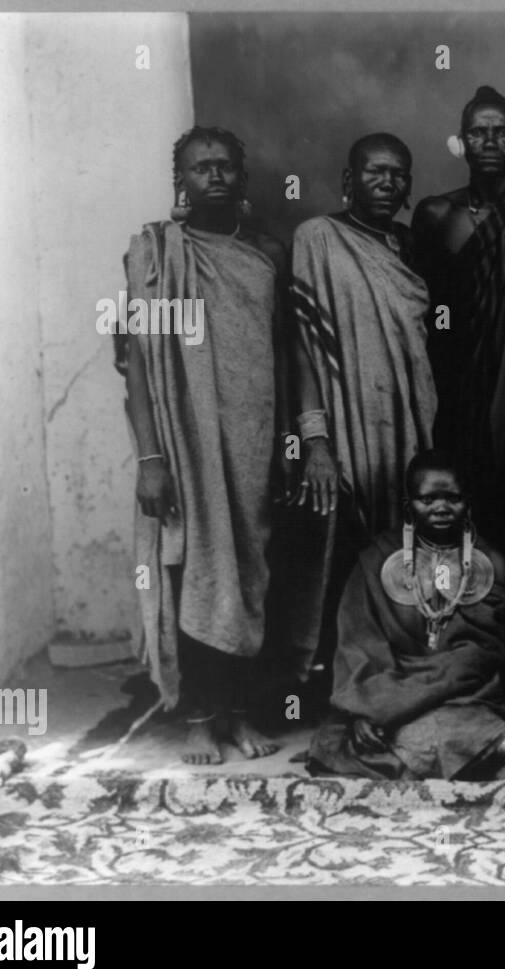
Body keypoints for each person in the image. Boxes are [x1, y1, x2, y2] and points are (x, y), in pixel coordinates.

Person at [308, 452, 505, 782]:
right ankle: (490, 765)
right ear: (409, 505)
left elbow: (488, 653)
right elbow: (357, 645)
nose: (440, 507)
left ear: (468, 503)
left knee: (441, 728)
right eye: (427, 499)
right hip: (388, 693)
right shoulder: (375, 559)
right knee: (341, 741)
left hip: (467, 697)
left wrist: (418, 694)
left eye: (453, 498)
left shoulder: (491, 560)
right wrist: (368, 710)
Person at [124, 126, 286, 764]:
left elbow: (283, 352)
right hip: (183, 445)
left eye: (225, 167)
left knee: (250, 572)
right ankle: (198, 717)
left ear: (243, 182)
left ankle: (241, 714)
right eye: (200, 168)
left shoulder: (268, 253)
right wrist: (151, 458)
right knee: (189, 566)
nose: (214, 176)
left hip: (251, 439)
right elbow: (139, 361)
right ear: (180, 182)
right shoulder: (156, 254)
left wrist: (295, 443)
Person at [283, 132, 438, 677]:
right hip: (344, 427)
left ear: (408, 186)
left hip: (409, 421)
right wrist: (316, 440)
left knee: (402, 544)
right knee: (339, 551)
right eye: (374, 171)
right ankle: (324, 680)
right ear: (349, 181)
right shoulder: (318, 238)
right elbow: (303, 348)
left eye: (398, 173)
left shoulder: (411, 246)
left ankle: (392, 674)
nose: (387, 181)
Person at [412, 86, 505, 566]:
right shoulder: (434, 213)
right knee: (459, 487)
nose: (490, 141)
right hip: (455, 382)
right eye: (479, 132)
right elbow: (419, 303)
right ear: (461, 143)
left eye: (502, 132)